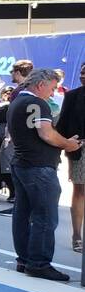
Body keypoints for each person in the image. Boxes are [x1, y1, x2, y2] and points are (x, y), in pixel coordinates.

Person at [9, 69, 82, 280]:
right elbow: (46, 133)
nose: (52, 93)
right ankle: (39, 263)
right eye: (51, 88)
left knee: (22, 214)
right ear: (41, 85)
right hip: (38, 166)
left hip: (23, 163)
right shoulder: (37, 104)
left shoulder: (17, 101)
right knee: (45, 216)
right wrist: (69, 144)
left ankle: (25, 259)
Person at [54, 63, 85, 253]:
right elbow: (63, 125)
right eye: (82, 72)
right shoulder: (72, 96)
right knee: (80, 190)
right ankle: (77, 235)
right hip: (80, 149)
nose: (83, 75)